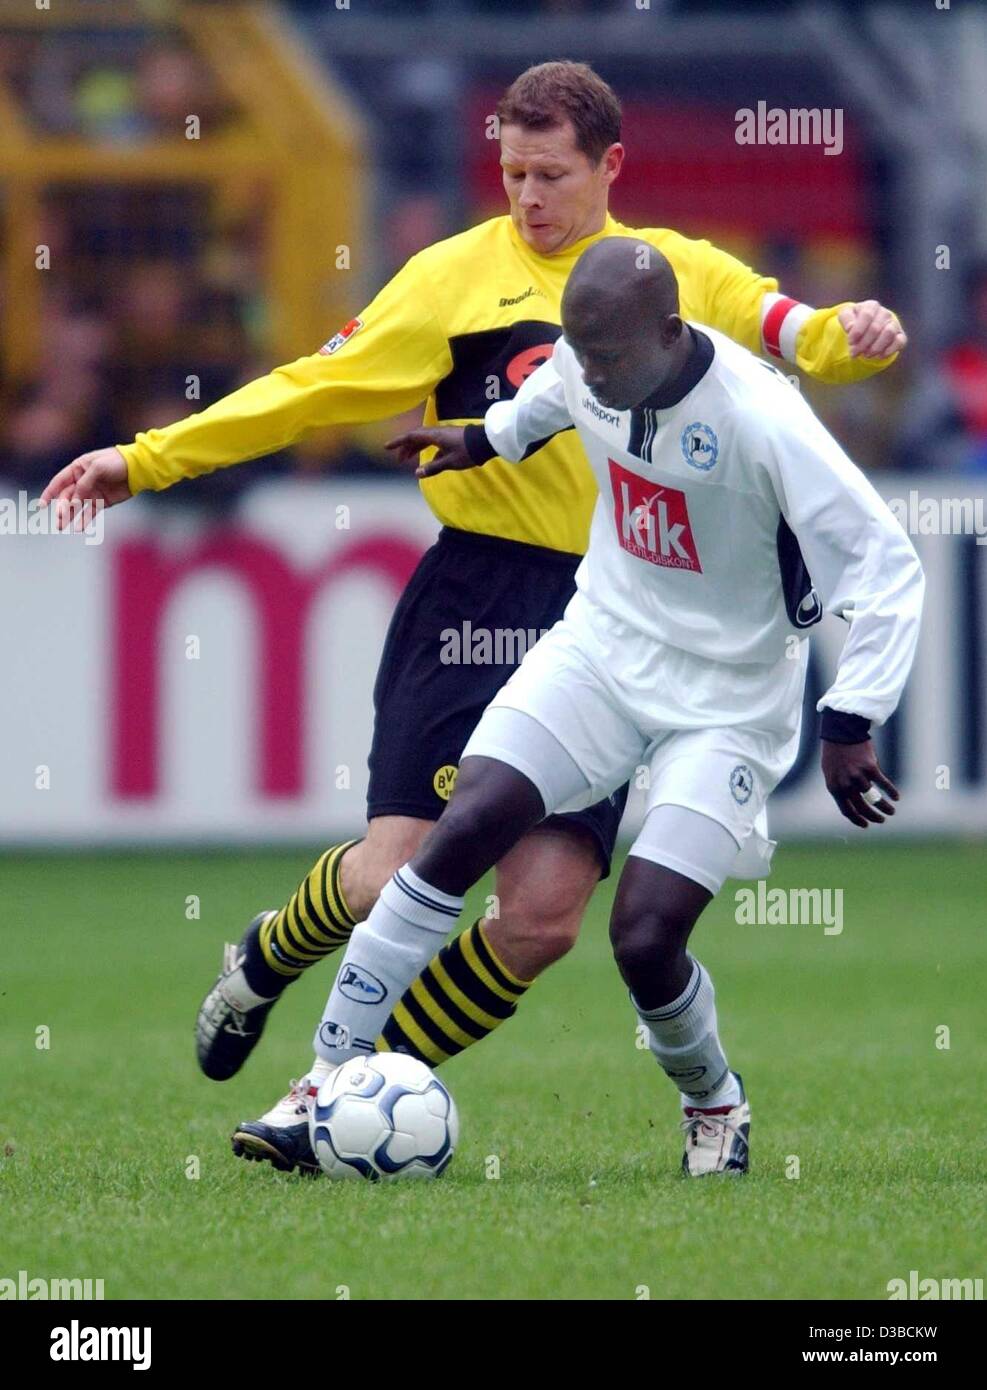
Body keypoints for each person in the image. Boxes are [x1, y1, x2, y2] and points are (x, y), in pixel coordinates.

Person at [41, 62, 907, 1176]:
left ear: (612, 169)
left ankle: (358, 1092)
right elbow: (312, 387)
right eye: (510, 173)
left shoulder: (666, 276)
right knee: (387, 872)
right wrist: (145, 459)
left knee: (543, 919)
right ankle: (262, 963)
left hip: (610, 604)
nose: (528, 197)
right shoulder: (449, 281)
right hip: (478, 592)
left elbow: (794, 337)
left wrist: (859, 330)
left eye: (551, 174)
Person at [356, 237, 924, 1174]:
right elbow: (557, 390)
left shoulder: (761, 419)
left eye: (609, 356)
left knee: (645, 934)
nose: (592, 371)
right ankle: (329, 1078)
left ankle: (713, 1100)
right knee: (469, 822)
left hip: (732, 700)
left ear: (669, 333)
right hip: (607, 651)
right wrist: (486, 437)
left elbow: (885, 564)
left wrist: (850, 719)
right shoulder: (598, 359)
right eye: (580, 352)